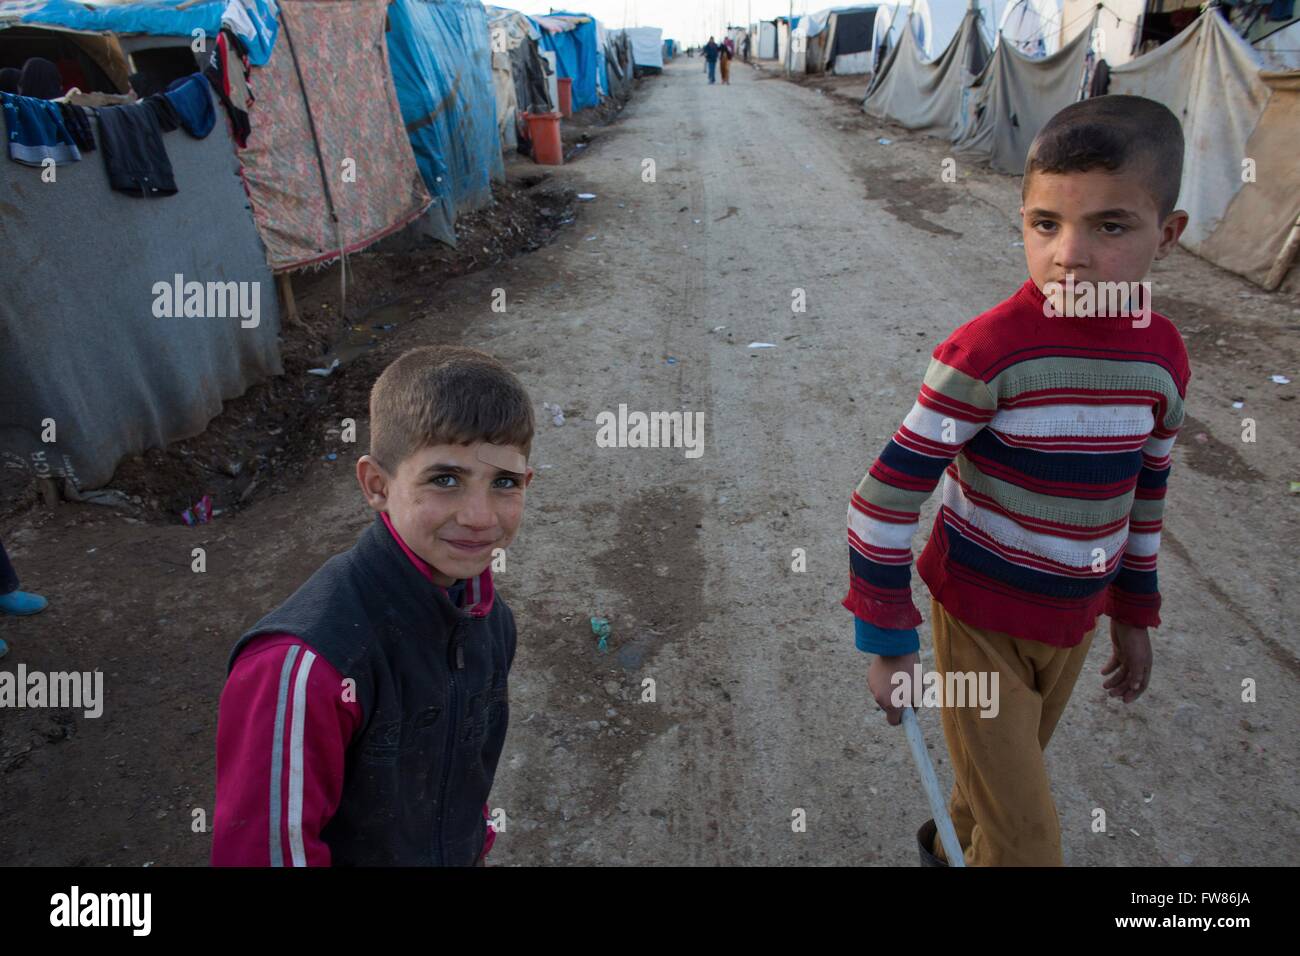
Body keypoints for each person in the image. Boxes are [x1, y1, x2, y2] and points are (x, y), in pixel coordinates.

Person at [846, 95, 1191, 866]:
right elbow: (884, 500)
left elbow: (1145, 494)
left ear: (1166, 236)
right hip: (979, 619)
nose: (1069, 254)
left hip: (1071, 624)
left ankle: (946, 850)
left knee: (993, 789)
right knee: (1029, 841)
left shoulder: (1163, 357)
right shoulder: (988, 353)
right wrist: (888, 640)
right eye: (1045, 224)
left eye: (1110, 226)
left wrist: (1133, 611)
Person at [212, 346, 535, 866]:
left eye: (503, 483)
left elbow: (468, 774)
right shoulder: (304, 667)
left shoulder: (491, 622)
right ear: (377, 485)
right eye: (444, 479)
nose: (480, 517)